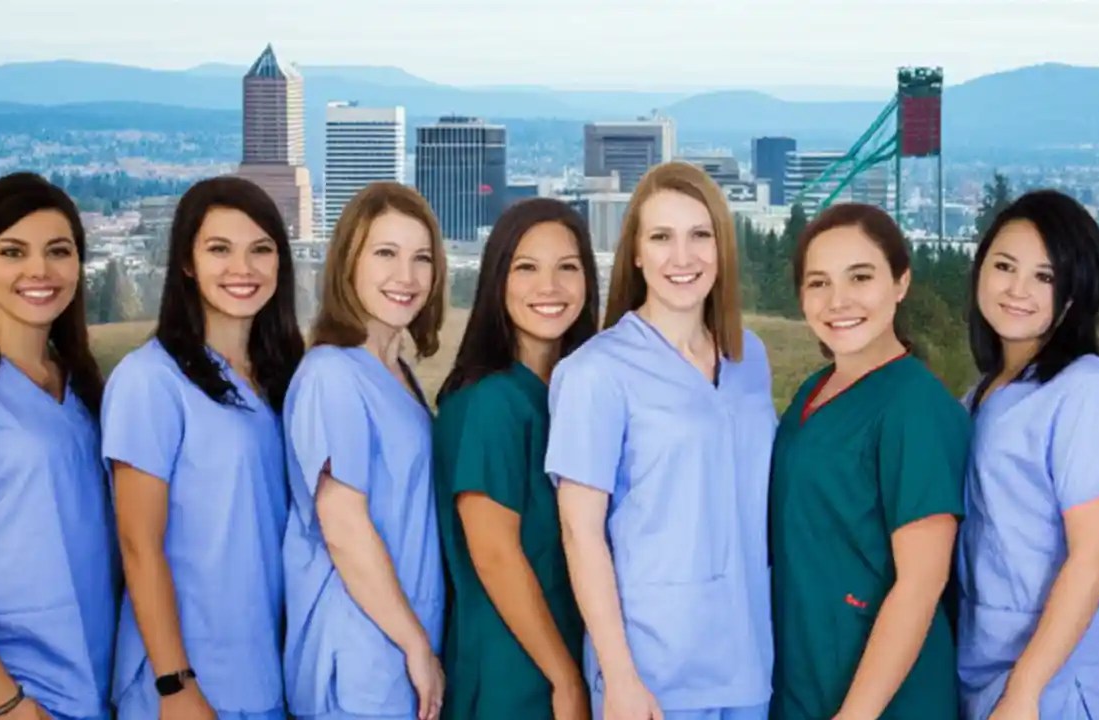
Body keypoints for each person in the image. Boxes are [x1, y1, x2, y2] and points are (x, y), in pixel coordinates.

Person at [545, 161, 775, 720]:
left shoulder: (749, 358)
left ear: (722, 247)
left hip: (748, 662)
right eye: (661, 237)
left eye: (700, 235)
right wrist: (620, 676)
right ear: (636, 253)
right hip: (652, 672)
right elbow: (581, 534)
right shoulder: (595, 373)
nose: (683, 257)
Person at [102, 176, 304, 720]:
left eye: (261, 249)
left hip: (265, 674)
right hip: (185, 685)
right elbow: (138, 543)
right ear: (187, 263)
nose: (243, 268)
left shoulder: (284, 379)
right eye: (219, 249)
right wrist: (175, 684)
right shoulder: (151, 380)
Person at [770, 202, 968, 719]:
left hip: (883, 699)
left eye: (860, 277)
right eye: (818, 283)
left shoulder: (915, 407)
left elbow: (921, 585)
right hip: (808, 672)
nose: (838, 300)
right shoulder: (814, 391)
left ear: (901, 282)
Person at [956, 190, 1099, 719]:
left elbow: (1095, 555)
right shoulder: (983, 393)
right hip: (986, 661)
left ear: (1075, 291)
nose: (1018, 289)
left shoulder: (1087, 393)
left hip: (1058, 680)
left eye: (1044, 276)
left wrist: (1026, 689)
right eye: (1004, 266)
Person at [0, 172, 117, 720]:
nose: (39, 270)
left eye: (58, 251)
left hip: (92, 687)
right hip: (0, 697)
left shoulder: (84, 388)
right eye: (13, 252)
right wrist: (5, 702)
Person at [282, 182, 448, 720]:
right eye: (385, 254)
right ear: (348, 262)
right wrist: (415, 645)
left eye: (421, 258)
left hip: (399, 648)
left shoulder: (397, 373)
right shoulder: (332, 374)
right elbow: (343, 527)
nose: (407, 276)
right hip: (360, 657)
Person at [433, 197, 600, 720]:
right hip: (514, 675)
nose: (549, 287)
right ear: (497, 281)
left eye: (567, 267)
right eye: (526, 268)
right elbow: (495, 555)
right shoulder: (491, 402)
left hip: (562, 658)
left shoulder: (569, 395)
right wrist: (565, 680)